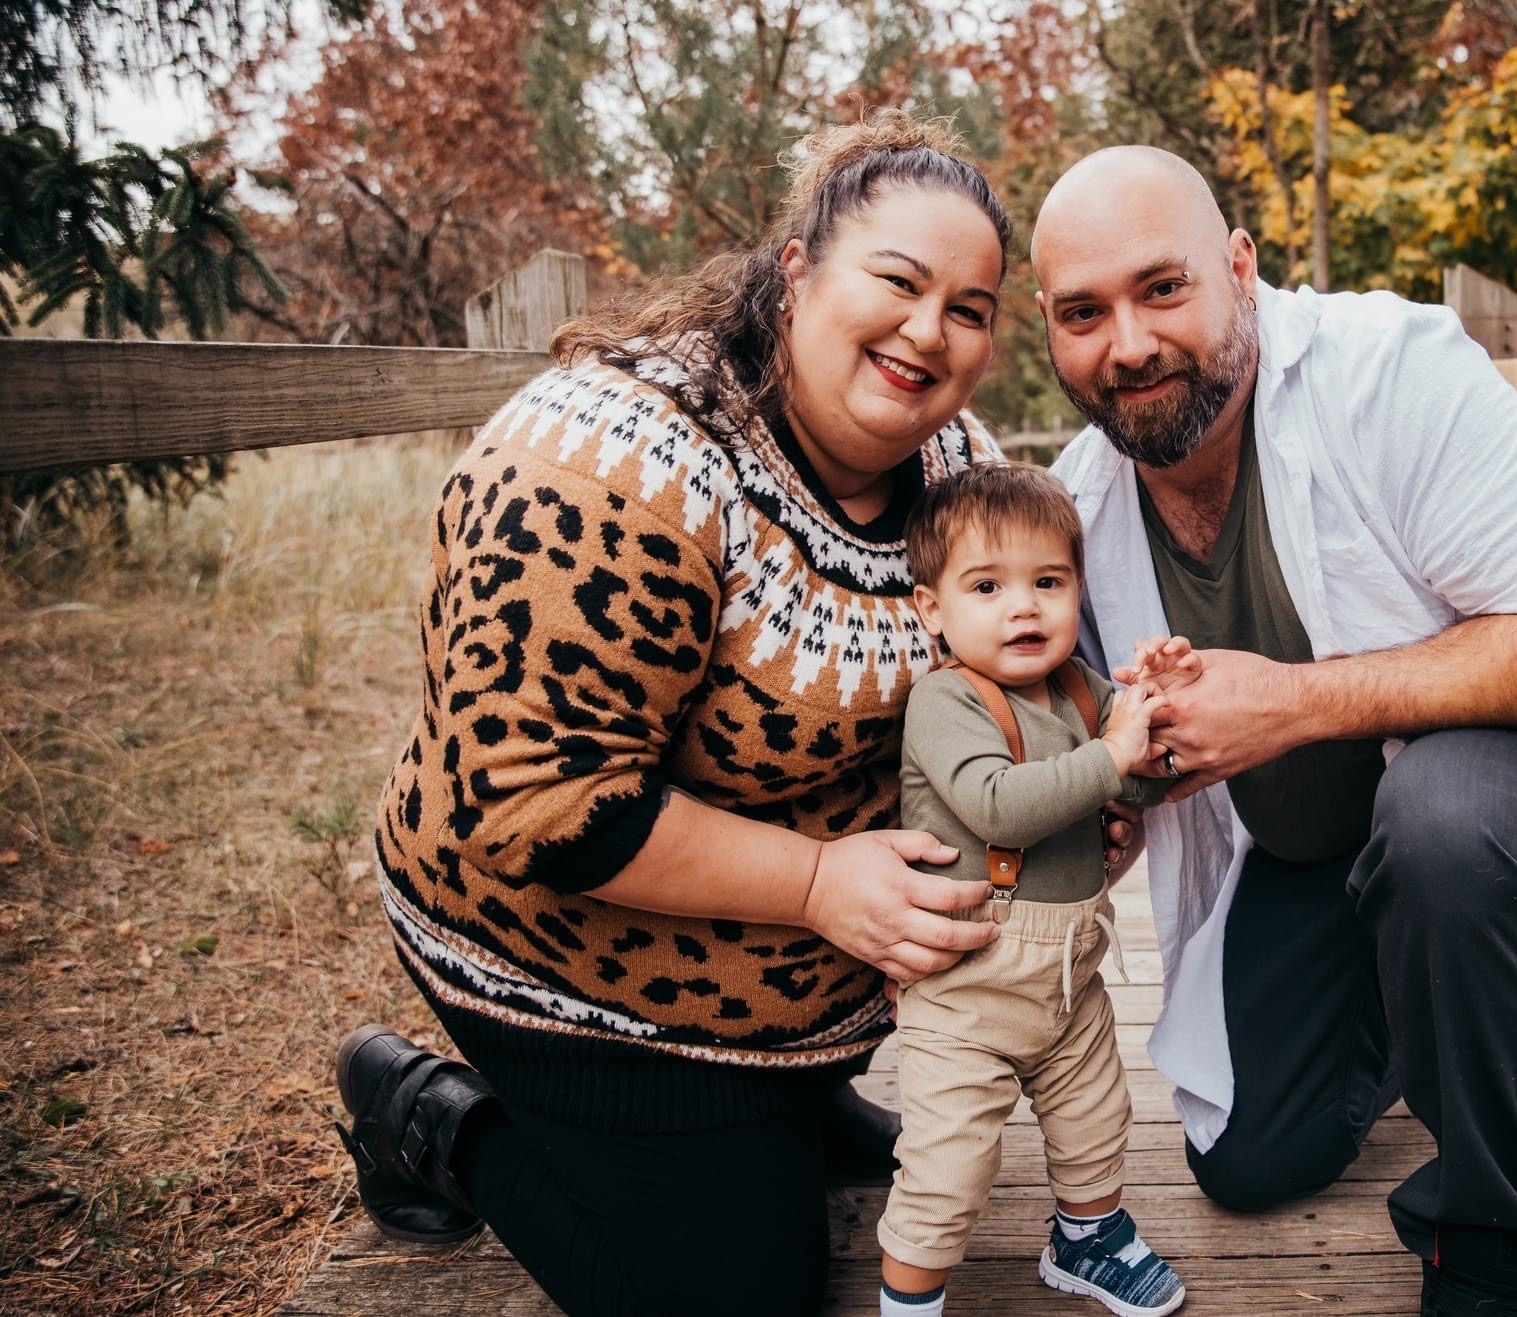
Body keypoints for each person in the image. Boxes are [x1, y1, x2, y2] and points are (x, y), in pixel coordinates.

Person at [329, 112, 1048, 1317]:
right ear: (797, 268)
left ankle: (791, 1094)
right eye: (898, 281)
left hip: (789, 958)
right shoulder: (609, 461)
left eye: (969, 308)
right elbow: (533, 802)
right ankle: (430, 1116)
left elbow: (986, 669)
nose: (930, 332)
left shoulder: (957, 466)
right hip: (558, 951)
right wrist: (824, 889)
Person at [1030, 146, 1517, 1317]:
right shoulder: (1077, 504)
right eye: (1081, 313)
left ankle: (1493, 1245)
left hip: (1498, 788)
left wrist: (1291, 702)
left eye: (1162, 288)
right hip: (1309, 851)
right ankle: (1422, 983)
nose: (1126, 344)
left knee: (1444, 826)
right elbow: (1097, 757)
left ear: (1239, 268)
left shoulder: (1387, 377)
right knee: (1247, 1163)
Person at [877, 462, 1189, 1317]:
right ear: (932, 609)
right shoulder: (947, 700)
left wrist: (1154, 713)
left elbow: (1143, 787)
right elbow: (998, 807)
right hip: (965, 987)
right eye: (988, 585)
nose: (1025, 606)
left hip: (1066, 979)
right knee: (948, 1167)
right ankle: (910, 1300)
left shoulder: (1084, 690)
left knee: (1097, 1119)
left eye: (1049, 582)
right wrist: (1112, 753)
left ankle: (1086, 1240)